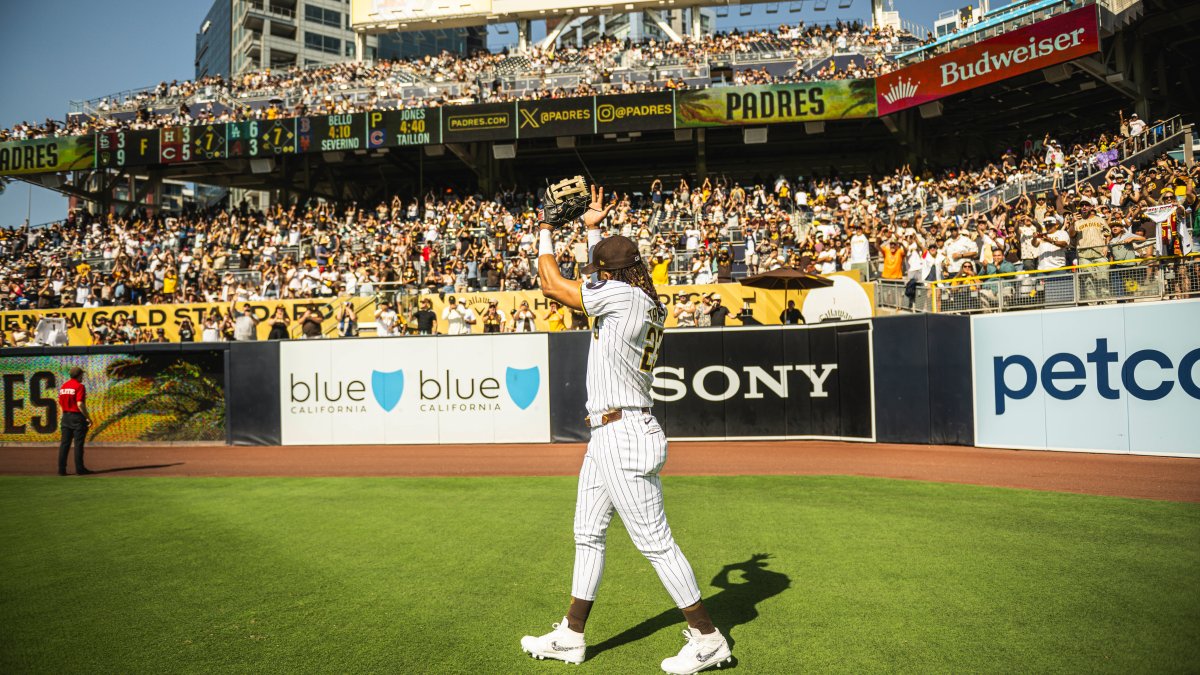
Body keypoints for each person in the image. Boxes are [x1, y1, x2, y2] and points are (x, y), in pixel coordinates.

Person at [522, 185, 732, 672]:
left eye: (599, 269)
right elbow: (600, 275)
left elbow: (553, 285)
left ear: (610, 275)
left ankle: (708, 638)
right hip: (613, 433)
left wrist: (546, 227)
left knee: (656, 542)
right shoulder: (641, 297)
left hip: (623, 432)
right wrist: (593, 230)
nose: (594, 274)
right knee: (587, 533)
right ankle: (571, 635)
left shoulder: (618, 296)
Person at [57, 366, 93, 476]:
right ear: (79, 375)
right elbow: (80, 404)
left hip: (65, 417)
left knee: (64, 444)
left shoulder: (64, 386)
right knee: (78, 444)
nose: (83, 377)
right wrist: (88, 417)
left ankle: (61, 470)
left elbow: (60, 403)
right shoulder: (79, 386)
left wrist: (62, 416)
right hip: (77, 417)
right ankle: (80, 469)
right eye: (82, 375)